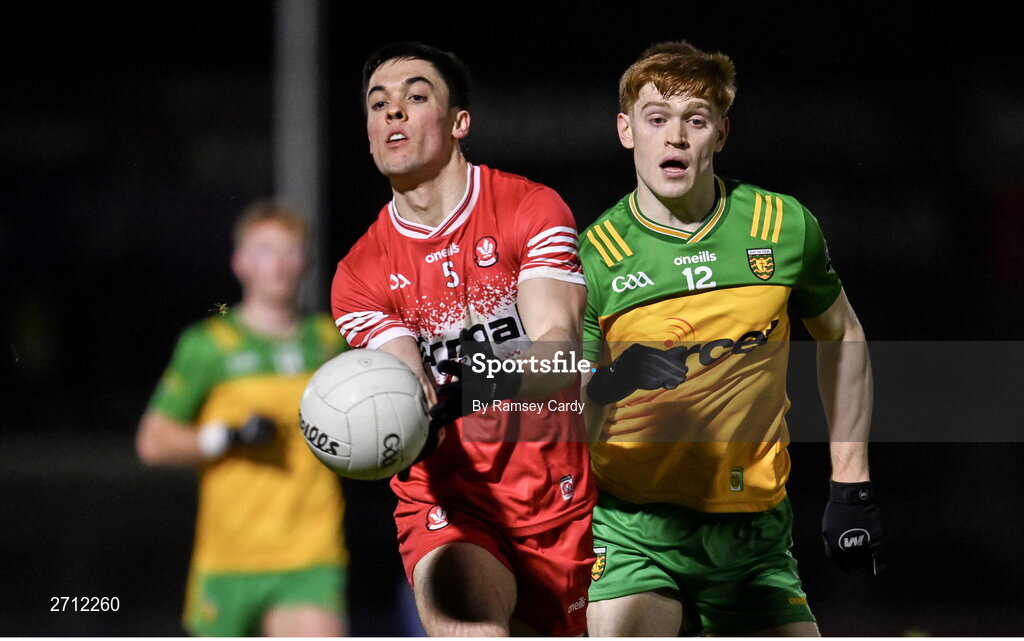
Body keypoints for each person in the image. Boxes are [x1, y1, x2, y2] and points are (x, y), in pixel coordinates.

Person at [580, 41, 885, 636]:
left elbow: (843, 336)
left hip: (753, 532)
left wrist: (852, 485)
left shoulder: (783, 225)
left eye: (695, 119)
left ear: (720, 133)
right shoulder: (594, 258)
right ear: (626, 130)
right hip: (633, 529)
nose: (675, 138)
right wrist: (615, 381)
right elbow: (561, 402)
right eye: (656, 118)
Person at [330, 41, 595, 636]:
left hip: (564, 497)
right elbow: (404, 386)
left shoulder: (530, 207)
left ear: (459, 123)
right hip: (450, 503)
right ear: (370, 133)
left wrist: (472, 384)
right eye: (378, 104)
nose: (392, 112)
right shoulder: (359, 273)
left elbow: (558, 346)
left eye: (415, 97)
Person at [136, 201, 349, 637]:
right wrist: (227, 436)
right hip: (228, 560)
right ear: (241, 262)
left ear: (305, 261)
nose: (280, 264)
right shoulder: (208, 345)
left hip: (309, 555)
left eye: (291, 250)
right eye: (266, 250)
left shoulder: (330, 342)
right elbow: (153, 441)